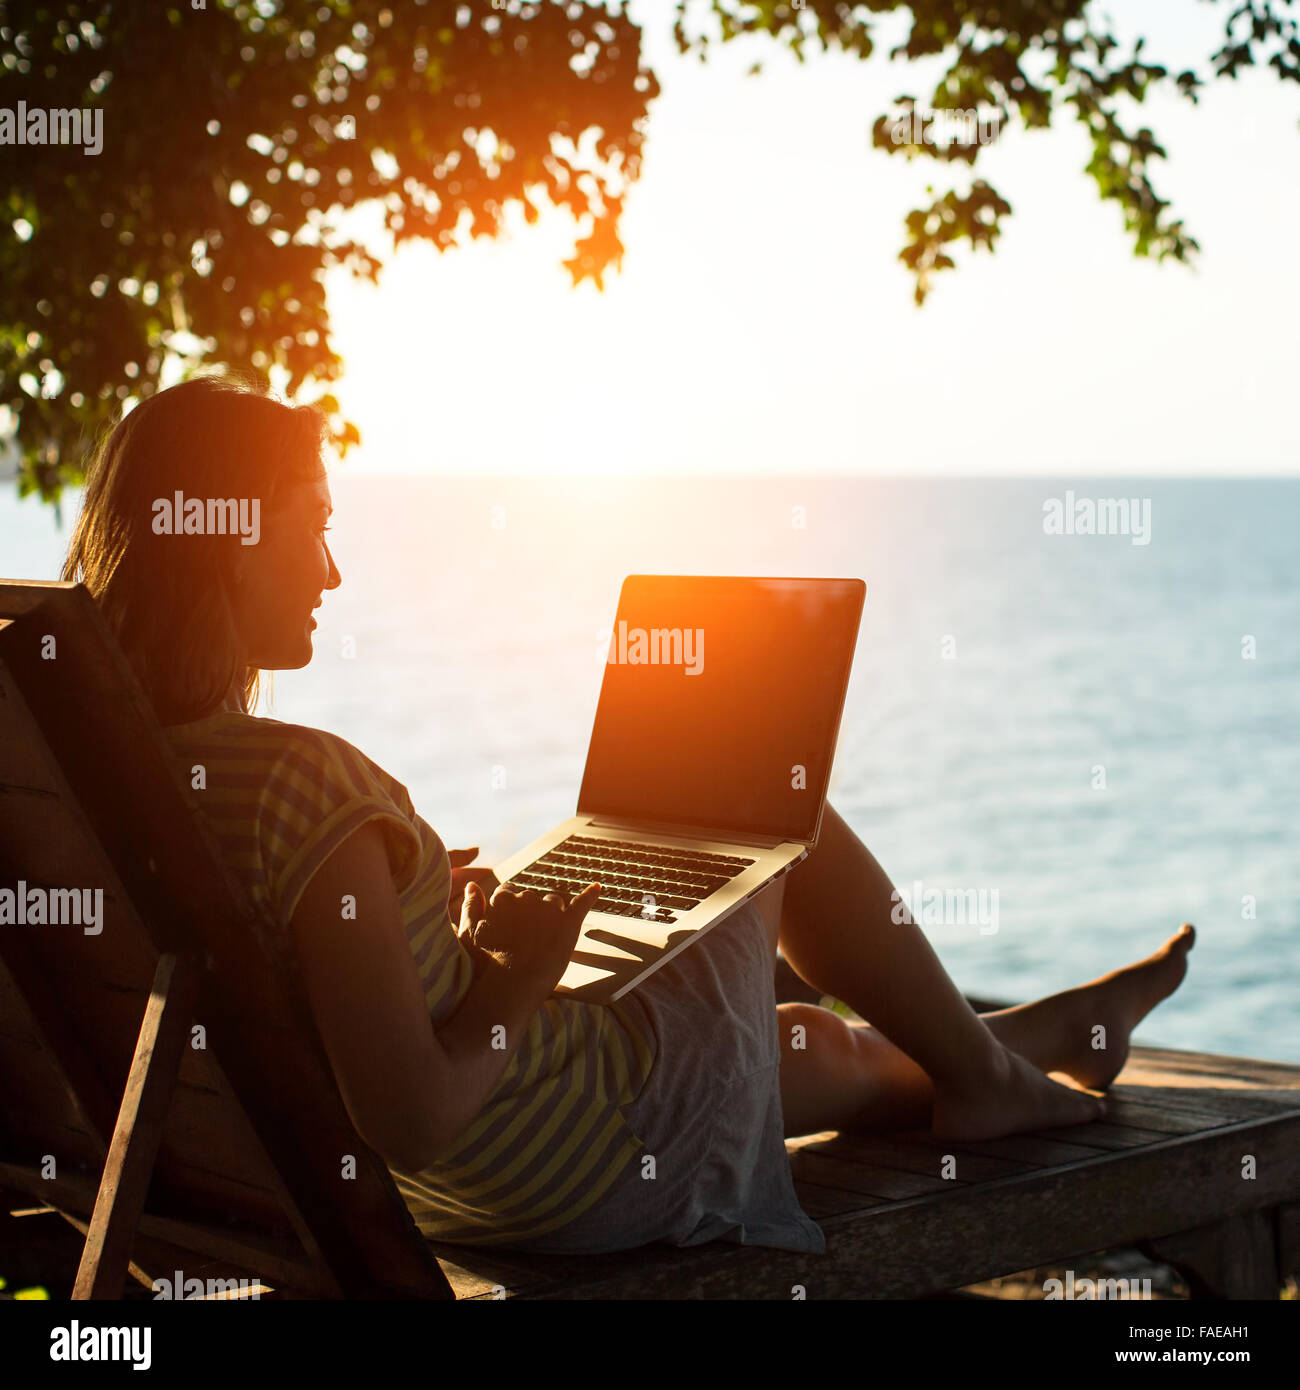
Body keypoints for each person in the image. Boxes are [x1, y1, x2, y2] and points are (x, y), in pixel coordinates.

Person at [60, 375, 1195, 1257]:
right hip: (573, 1170)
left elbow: (302, 998)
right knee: (770, 816)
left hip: (457, 1185)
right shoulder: (307, 783)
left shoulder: (112, 776)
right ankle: (993, 1077)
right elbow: (411, 1113)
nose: (334, 570)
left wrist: (403, 932)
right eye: (310, 525)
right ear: (227, 538)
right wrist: (513, 968)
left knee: (793, 1041)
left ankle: (1034, 1042)